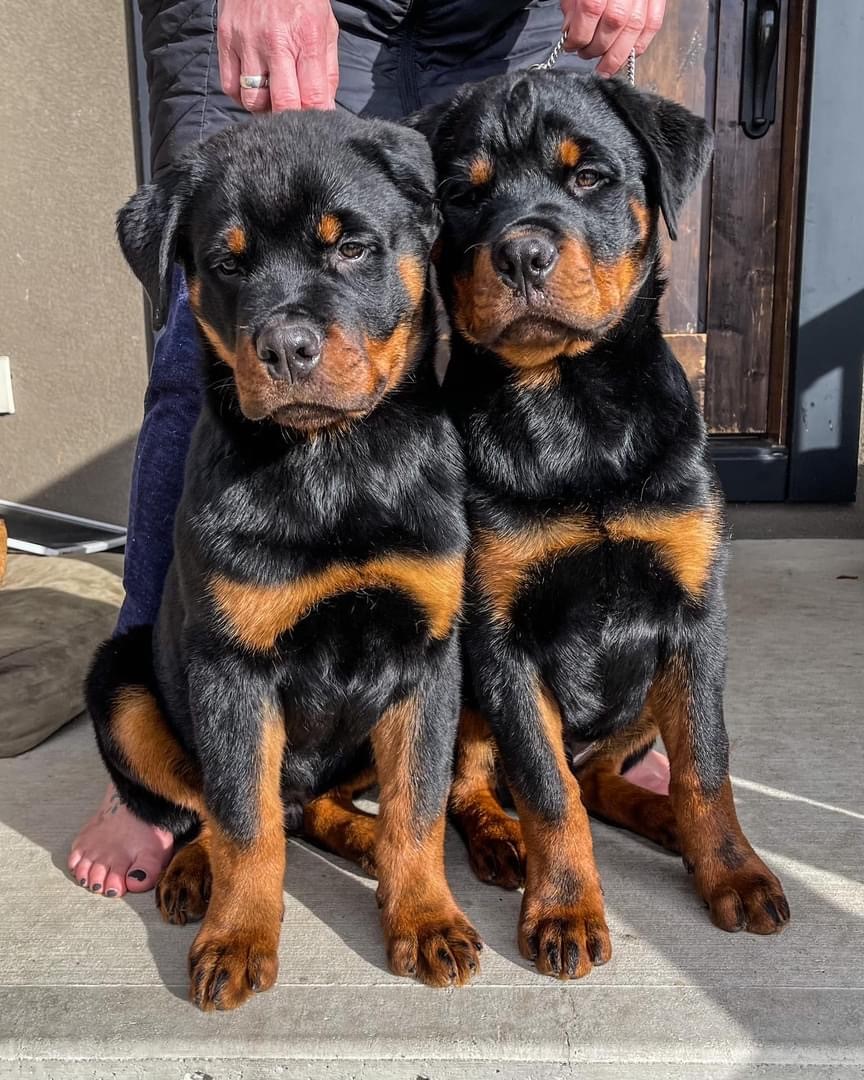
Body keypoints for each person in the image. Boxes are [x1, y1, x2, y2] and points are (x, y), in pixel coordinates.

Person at [68, 0, 668, 898]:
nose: (289, 337)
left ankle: (596, 724)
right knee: (201, 355)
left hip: (498, 16)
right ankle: (163, 780)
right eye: (225, 268)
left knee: (518, 278)